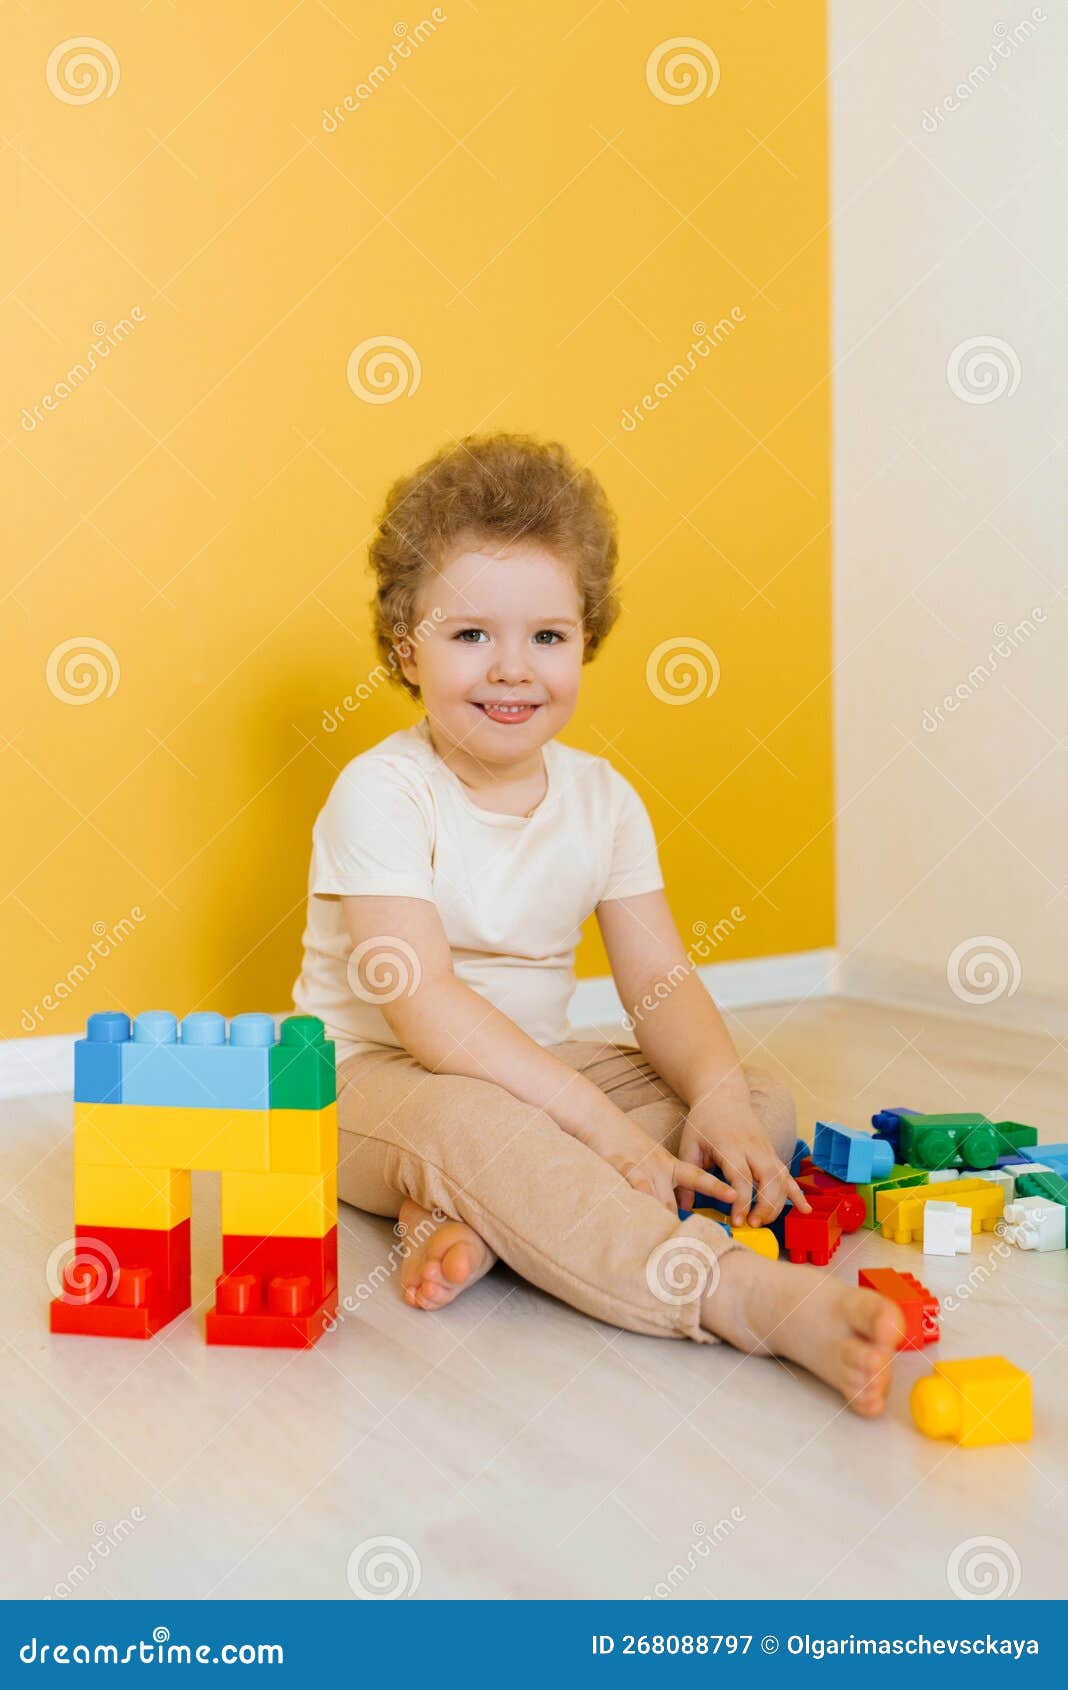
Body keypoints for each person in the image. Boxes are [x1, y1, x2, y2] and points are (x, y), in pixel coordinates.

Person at [292, 432, 902, 1414]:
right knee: (475, 1120)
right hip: (369, 1079)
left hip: (536, 1066)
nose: (512, 670)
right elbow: (429, 1014)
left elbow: (658, 984)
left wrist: (713, 1098)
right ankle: (732, 1292)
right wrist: (605, 1134)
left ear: (587, 639)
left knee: (749, 1094)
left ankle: (480, 1212)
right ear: (408, 648)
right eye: (469, 635)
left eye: (547, 635)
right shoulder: (383, 790)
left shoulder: (604, 798)